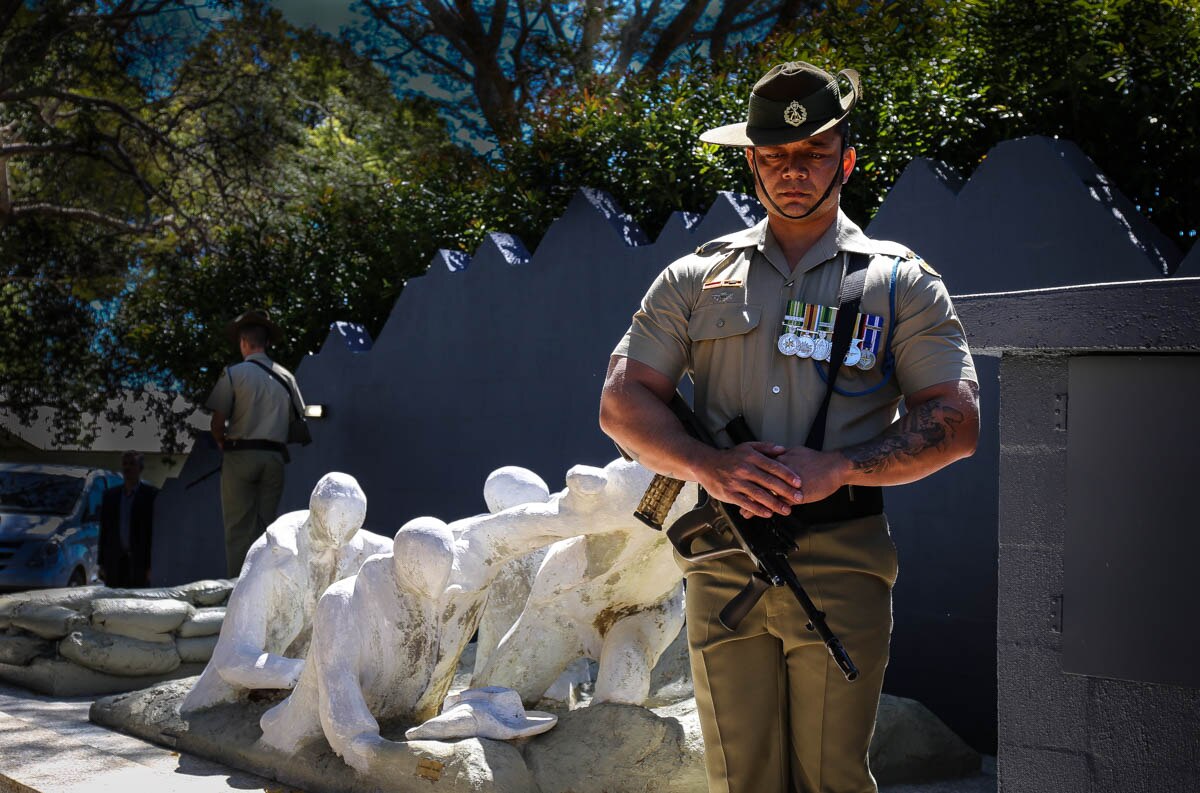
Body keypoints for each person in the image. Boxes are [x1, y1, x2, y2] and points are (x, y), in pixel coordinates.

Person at [598, 61, 980, 793]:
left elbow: (955, 420)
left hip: (842, 555)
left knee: (832, 775)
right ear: (752, 162)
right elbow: (623, 400)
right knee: (740, 776)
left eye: (814, 152)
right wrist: (707, 465)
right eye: (774, 156)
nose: (793, 171)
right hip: (723, 556)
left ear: (847, 159)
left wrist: (841, 466)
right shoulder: (694, 277)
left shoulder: (899, 281)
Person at [206, 308, 305, 577]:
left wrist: (221, 441)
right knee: (267, 528)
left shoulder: (234, 374)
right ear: (267, 342)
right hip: (274, 458)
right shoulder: (286, 377)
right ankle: (265, 584)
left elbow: (217, 423)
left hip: (240, 455)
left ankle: (238, 588)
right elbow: (297, 423)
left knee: (239, 527)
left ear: (244, 343)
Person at [98, 450, 158, 588]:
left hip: (140, 563)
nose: (128, 467)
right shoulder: (111, 496)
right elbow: (104, 531)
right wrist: (101, 563)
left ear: (140, 468)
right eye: (125, 464)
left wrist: (152, 565)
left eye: (132, 464)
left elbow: (155, 532)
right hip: (114, 562)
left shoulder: (151, 495)